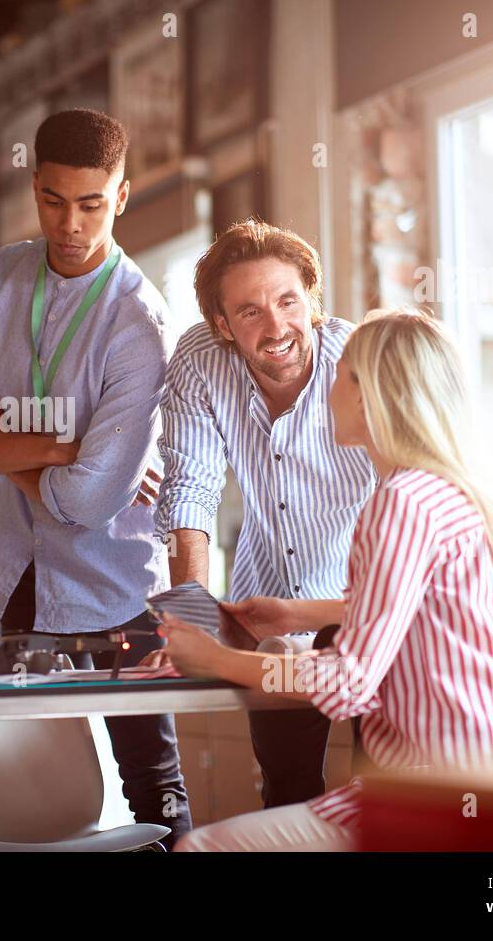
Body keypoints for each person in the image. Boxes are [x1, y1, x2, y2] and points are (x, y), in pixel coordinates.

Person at [159, 308, 493, 850]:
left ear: (369, 396)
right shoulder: (450, 493)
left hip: (437, 797)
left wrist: (216, 660)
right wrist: (297, 614)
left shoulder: (398, 504)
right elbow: (421, 610)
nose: (326, 391)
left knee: (199, 846)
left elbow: (349, 684)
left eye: (339, 374)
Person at [0, 108, 190, 845]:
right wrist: (63, 446)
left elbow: (87, 504)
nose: (71, 224)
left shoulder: (139, 326)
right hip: (15, 583)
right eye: (54, 200)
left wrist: (11, 442)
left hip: (119, 589)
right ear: (34, 188)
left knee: (153, 787)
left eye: (91, 204)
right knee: (16, 780)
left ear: (120, 197)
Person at [152, 220, 376, 808]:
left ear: (313, 301)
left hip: (370, 603)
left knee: (388, 794)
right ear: (222, 325)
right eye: (249, 312)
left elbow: (408, 486)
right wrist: (195, 621)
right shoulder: (201, 361)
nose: (276, 326)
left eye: (287, 301)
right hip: (269, 608)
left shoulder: (360, 362)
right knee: (288, 791)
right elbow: (189, 490)